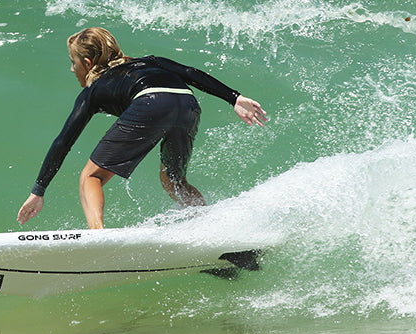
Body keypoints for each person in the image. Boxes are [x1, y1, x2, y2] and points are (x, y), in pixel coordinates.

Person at [17, 27, 267, 230]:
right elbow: (191, 73)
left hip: (150, 102)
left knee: (90, 177)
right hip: (186, 103)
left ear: (87, 62)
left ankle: (98, 238)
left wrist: (38, 190)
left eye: (73, 63)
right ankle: (208, 229)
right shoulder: (150, 61)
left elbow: (64, 141)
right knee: (174, 181)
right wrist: (234, 98)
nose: (72, 69)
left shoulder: (93, 91)